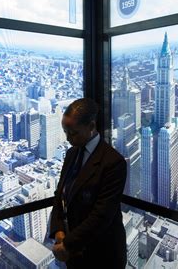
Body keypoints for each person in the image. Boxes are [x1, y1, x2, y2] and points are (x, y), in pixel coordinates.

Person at [49, 98, 127, 268]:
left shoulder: (113, 162)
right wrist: (58, 231)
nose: (68, 138)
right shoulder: (71, 154)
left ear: (91, 126)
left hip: (102, 255)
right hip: (73, 254)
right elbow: (60, 195)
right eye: (65, 131)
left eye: (73, 133)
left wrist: (67, 243)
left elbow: (101, 215)